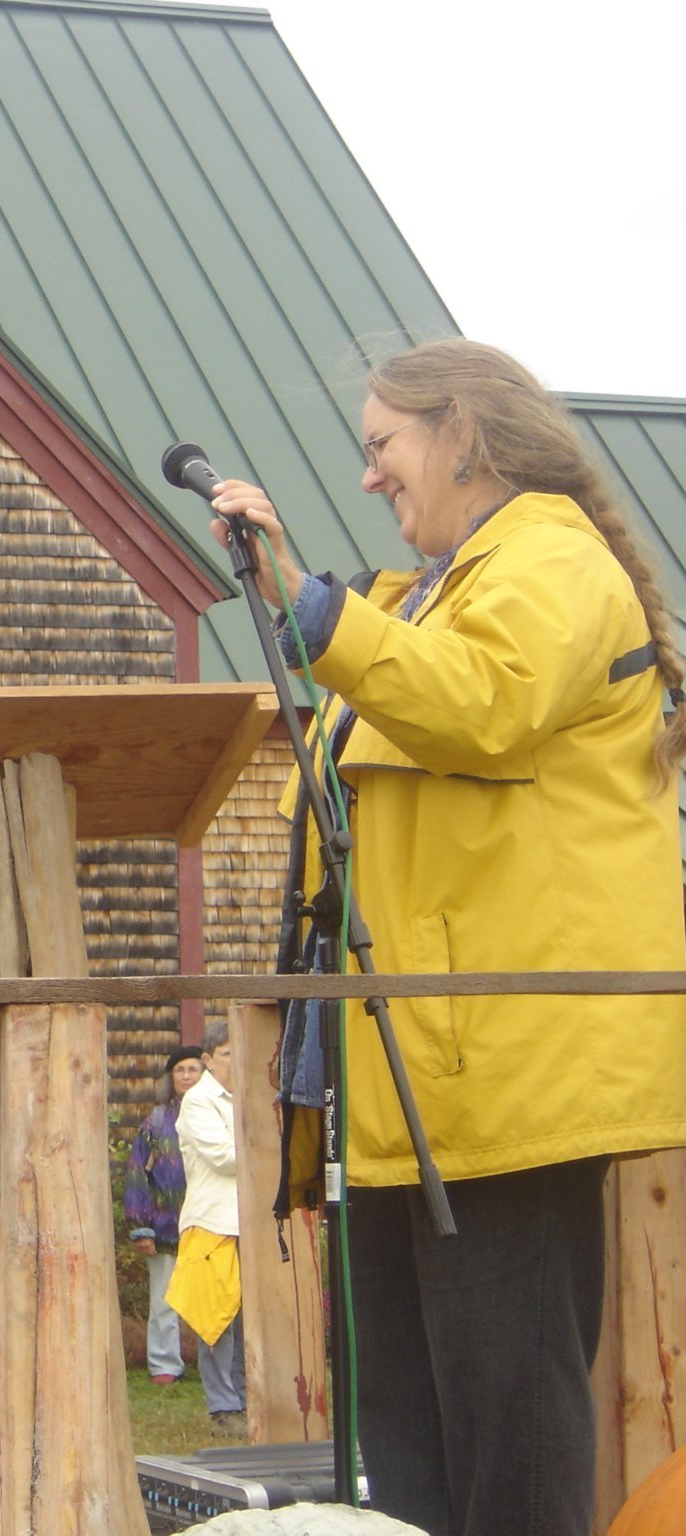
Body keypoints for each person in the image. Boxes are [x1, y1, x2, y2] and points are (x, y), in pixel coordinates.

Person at [209, 337, 686, 1536]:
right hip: (412, 1083)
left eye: (381, 445)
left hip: (506, 1084)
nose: (367, 474)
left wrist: (312, 610)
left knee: (508, 1434)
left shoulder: (550, 564)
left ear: (460, 434)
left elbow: (476, 703)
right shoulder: (440, 587)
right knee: (413, 1440)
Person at [165, 1022, 244, 1427]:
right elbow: (224, 1157)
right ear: (209, 1060)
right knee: (217, 1319)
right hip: (213, 1220)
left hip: (252, 1223)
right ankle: (223, 1407)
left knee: (250, 1320)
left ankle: (247, 1400)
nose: (236, 1059)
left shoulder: (251, 1094)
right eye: (228, 1053)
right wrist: (268, 1141)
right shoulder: (198, 1100)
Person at [124, 1044, 205, 1385]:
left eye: (193, 1069)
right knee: (163, 1302)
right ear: (171, 1078)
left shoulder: (220, 1118)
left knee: (211, 1299)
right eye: (180, 1070)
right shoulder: (155, 1124)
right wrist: (141, 1228)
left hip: (207, 1225)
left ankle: (214, 1366)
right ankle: (165, 1365)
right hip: (165, 1228)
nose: (186, 1076)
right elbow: (136, 1177)